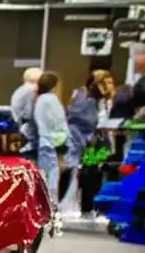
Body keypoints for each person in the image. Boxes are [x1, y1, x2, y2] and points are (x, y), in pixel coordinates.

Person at [67, 70, 114, 214]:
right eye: (105, 83)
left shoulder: (104, 99)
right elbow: (77, 117)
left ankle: (97, 205)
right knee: (90, 172)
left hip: (101, 139)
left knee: (100, 171)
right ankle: (87, 206)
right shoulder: (83, 96)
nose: (109, 86)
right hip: (89, 141)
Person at [33, 71, 69, 204]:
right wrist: (62, 149)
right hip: (54, 144)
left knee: (43, 179)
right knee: (52, 181)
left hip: (44, 143)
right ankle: (52, 208)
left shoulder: (39, 100)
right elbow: (59, 125)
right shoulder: (52, 100)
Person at [11, 67, 42, 155]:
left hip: (17, 131)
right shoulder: (32, 90)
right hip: (27, 137)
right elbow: (30, 114)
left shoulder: (20, 90)